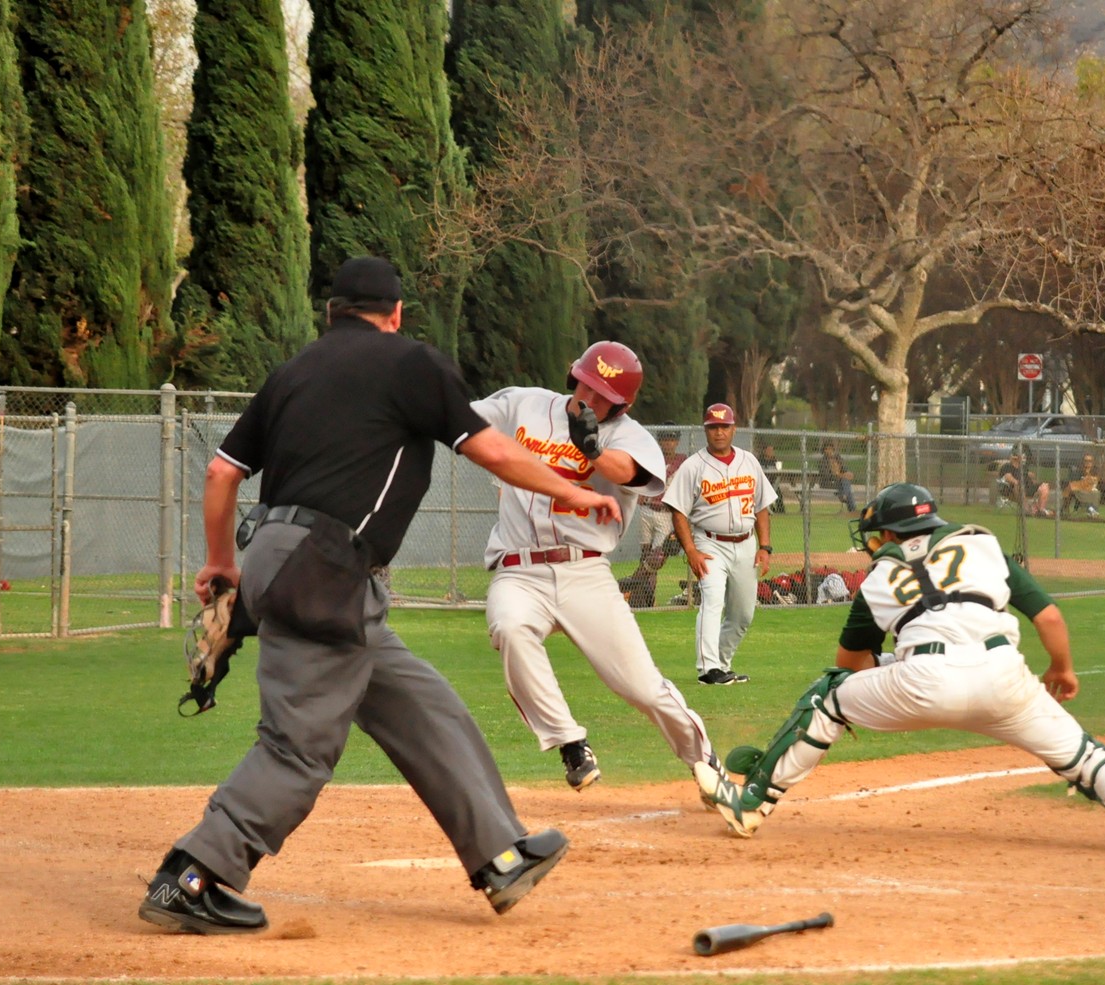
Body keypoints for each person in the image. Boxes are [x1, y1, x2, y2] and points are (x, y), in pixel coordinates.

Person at [138, 257, 619, 935]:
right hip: (327, 566)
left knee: (423, 704)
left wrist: (223, 562)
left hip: (281, 556)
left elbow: (222, 473)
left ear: (333, 312)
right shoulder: (410, 362)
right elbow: (494, 452)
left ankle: (499, 854)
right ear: (394, 314)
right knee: (297, 747)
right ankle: (191, 877)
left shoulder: (293, 371)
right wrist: (573, 491)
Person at [696, 482, 1105, 858]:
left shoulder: (882, 575)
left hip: (924, 682)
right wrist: (1063, 669)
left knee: (830, 695)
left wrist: (874, 680)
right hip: (1005, 676)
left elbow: (849, 666)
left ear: (886, 534)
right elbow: (1048, 616)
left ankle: (753, 803)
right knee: (1084, 756)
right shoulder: (981, 544)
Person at [474, 341, 723, 795]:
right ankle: (570, 741)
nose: (592, 397)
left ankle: (702, 756)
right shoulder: (522, 404)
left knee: (642, 688)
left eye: (605, 393)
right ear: (575, 376)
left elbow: (628, 470)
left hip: (583, 573)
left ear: (622, 403)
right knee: (509, 628)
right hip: (518, 567)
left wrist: (590, 449)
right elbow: (462, 420)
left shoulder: (629, 436)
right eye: (588, 385)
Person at [665, 403, 778, 685]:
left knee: (742, 614)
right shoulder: (693, 466)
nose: (719, 432)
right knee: (713, 600)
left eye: (724, 426)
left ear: (733, 429)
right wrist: (690, 550)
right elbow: (677, 510)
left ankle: (722, 665)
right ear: (705, 429)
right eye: (713, 427)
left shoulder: (749, 461)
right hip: (709, 543)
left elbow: (761, 506)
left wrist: (764, 547)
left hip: (746, 544)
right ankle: (707, 669)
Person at [634, 430, 685, 554]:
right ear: (659, 441)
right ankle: (645, 573)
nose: (667, 443)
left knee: (658, 552)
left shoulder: (682, 461)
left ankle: (646, 572)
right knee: (645, 548)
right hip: (647, 507)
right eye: (664, 439)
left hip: (665, 511)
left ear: (677, 442)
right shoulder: (652, 458)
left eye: (671, 440)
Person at [996, 445, 1052, 517]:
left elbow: (1029, 477)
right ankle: (1026, 511)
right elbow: (1007, 477)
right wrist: (1016, 482)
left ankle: (1041, 511)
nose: (1024, 458)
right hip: (1014, 489)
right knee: (1018, 486)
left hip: (1028, 487)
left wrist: (1031, 478)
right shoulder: (1007, 466)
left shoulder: (1023, 468)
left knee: (1045, 486)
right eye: (1022, 456)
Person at [1060, 453, 1104, 518]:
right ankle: (1065, 509)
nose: (1088, 463)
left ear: (1093, 462)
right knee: (1070, 489)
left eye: (1090, 461)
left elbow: (1094, 482)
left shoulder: (1095, 471)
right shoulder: (1079, 470)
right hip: (1079, 490)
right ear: (1083, 462)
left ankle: (1092, 510)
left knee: (1095, 493)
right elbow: (1075, 482)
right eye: (1086, 461)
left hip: (1091, 491)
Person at [818, 441, 857, 512]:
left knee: (845, 482)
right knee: (846, 486)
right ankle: (852, 509)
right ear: (824, 450)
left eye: (830, 449)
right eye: (826, 449)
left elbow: (844, 469)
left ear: (833, 449)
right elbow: (826, 475)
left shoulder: (837, 458)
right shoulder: (822, 461)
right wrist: (839, 476)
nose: (829, 451)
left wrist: (846, 473)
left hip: (840, 481)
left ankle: (845, 496)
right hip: (828, 482)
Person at [757, 443, 787, 514]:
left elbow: (778, 472)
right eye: (769, 450)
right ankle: (767, 509)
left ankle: (780, 510)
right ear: (764, 451)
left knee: (778, 492)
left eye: (772, 450)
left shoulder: (774, 461)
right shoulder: (760, 460)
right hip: (762, 483)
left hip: (772, 482)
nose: (771, 452)